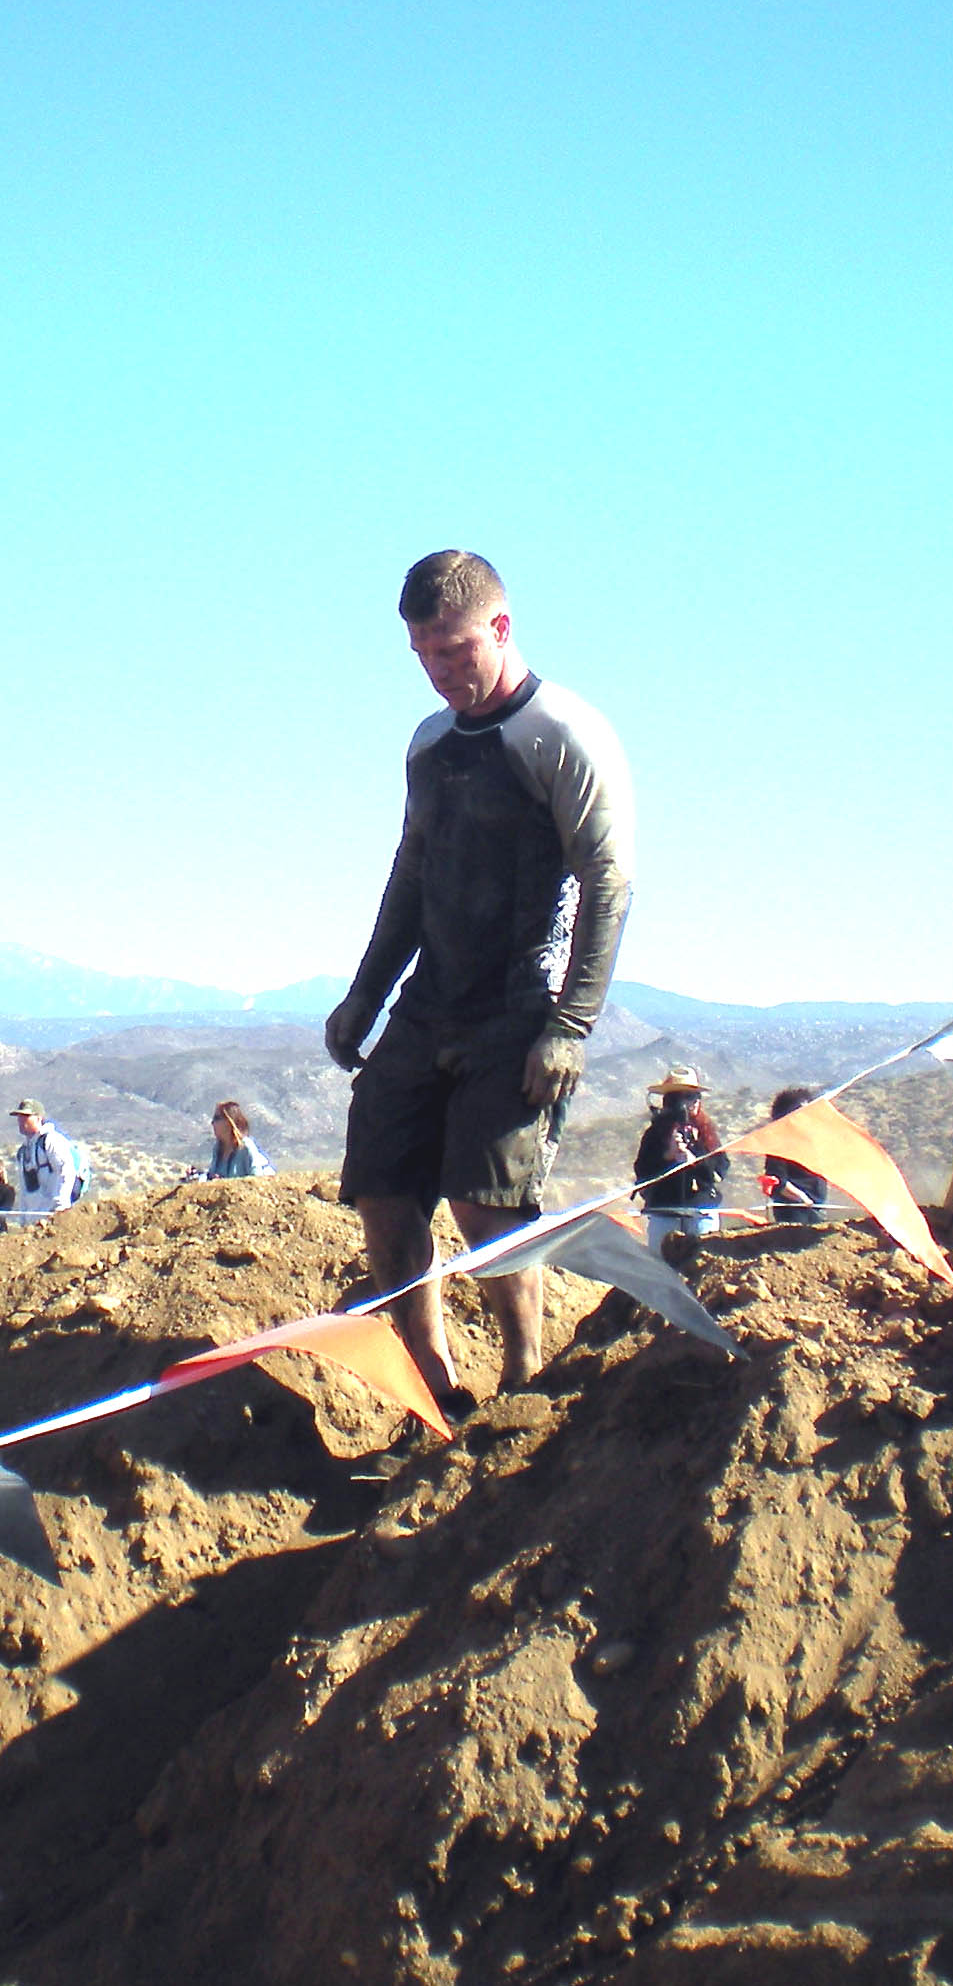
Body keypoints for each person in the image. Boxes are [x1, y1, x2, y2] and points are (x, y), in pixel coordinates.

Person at [324, 549, 634, 1407]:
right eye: (424, 655)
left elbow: (610, 882)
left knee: (487, 1208)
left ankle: (524, 1384)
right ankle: (437, 1389)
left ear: (500, 628)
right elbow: (412, 873)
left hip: (520, 1004)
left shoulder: (562, 734)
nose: (441, 672)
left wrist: (570, 1026)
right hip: (430, 1002)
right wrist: (365, 993)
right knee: (384, 1195)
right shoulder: (428, 745)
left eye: (456, 651)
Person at [636, 1068, 729, 1250]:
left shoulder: (706, 1134)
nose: (691, 1102)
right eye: (683, 1097)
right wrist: (667, 1156)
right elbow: (642, 1174)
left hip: (701, 1211)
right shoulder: (654, 1134)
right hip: (664, 1212)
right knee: (661, 1266)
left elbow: (720, 1169)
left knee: (701, 1264)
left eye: (694, 1096)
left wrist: (694, 1161)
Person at [763, 1086, 828, 1223]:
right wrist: (802, 1198)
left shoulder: (811, 1141)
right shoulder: (778, 1143)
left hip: (816, 1206)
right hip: (793, 1210)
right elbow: (778, 1181)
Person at [9, 1100, 81, 1218]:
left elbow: (66, 1170)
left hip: (52, 1214)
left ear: (39, 1118)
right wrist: (23, 1218)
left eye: (26, 1116)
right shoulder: (23, 1152)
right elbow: (24, 1189)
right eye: (19, 1117)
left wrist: (61, 1205)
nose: (21, 1120)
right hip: (35, 1218)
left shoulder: (51, 1141)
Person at [207, 1101, 275, 1179]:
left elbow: (257, 1178)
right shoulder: (217, 1149)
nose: (212, 1123)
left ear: (229, 1121)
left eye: (216, 1118)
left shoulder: (245, 1147)